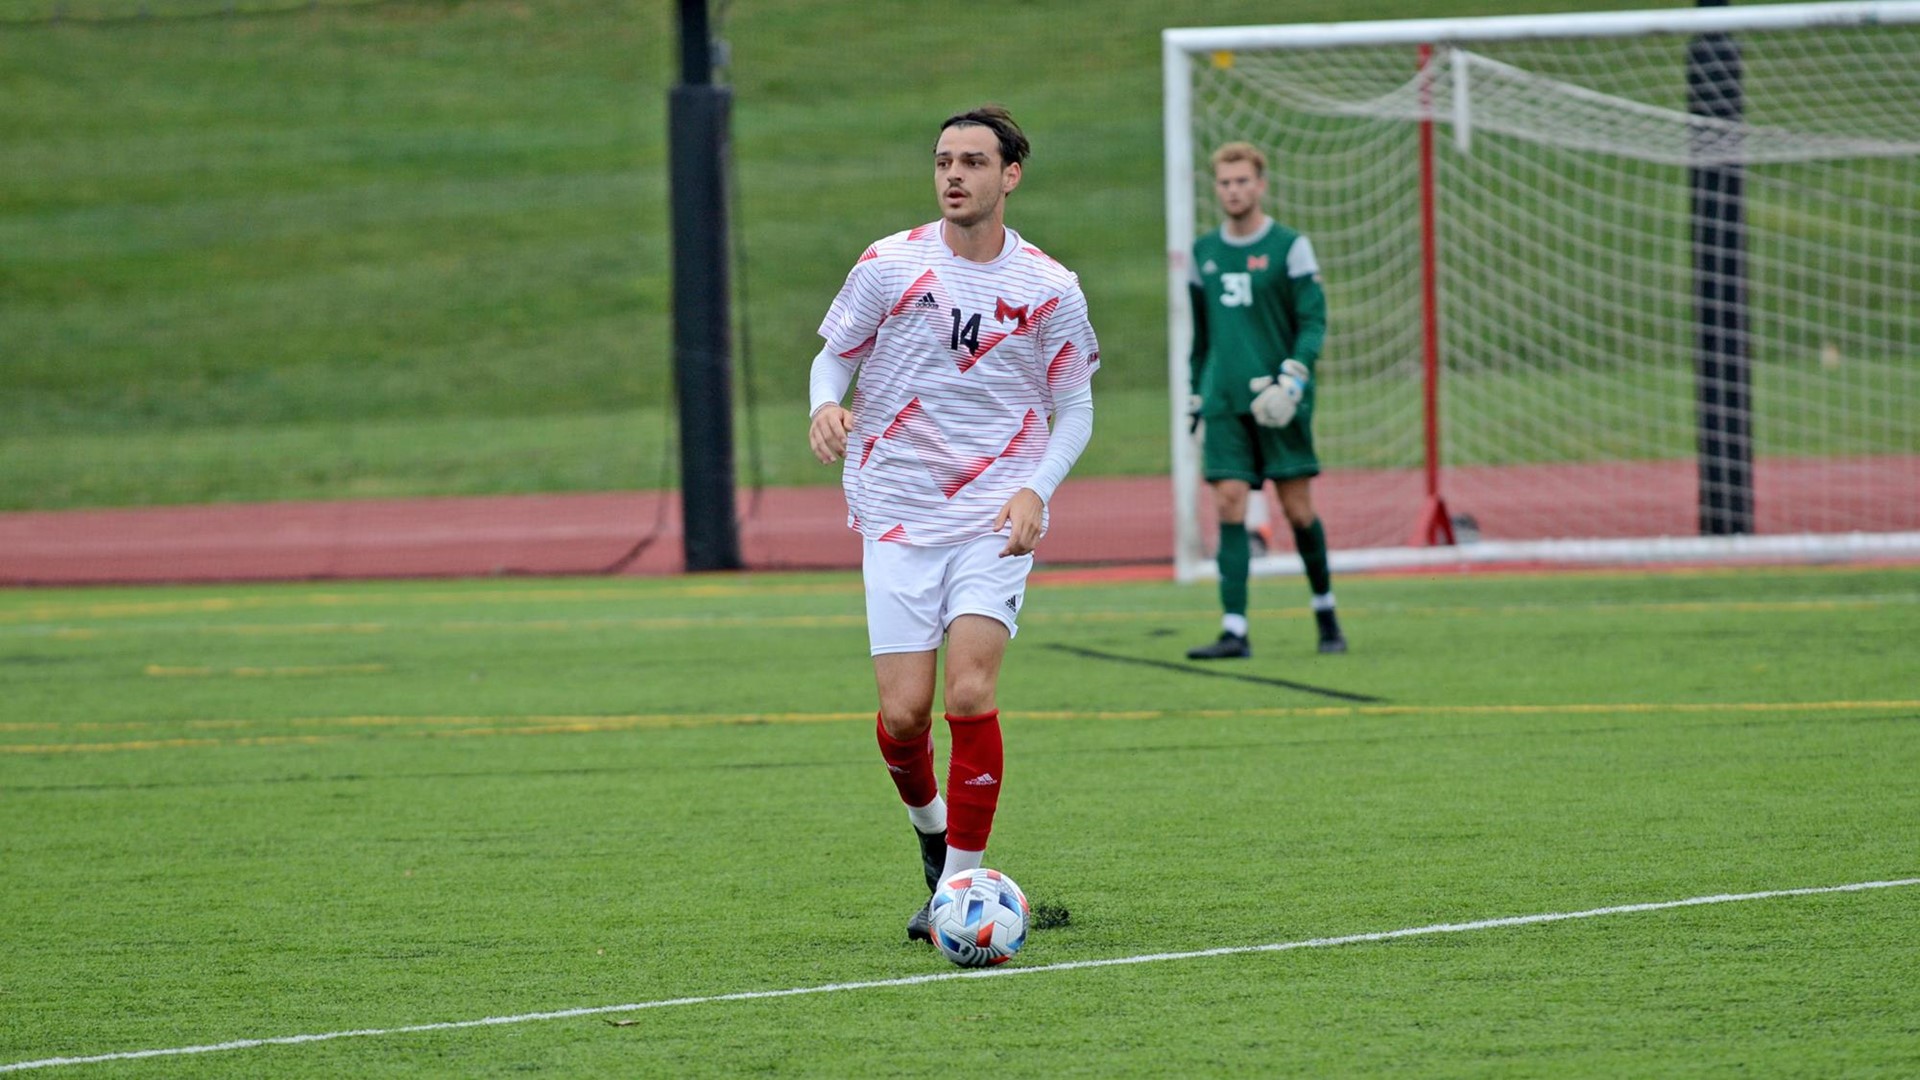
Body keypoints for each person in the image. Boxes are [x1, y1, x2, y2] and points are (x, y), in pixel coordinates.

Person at [807, 105, 1098, 943]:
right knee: (904, 717)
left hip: (991, 514)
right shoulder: (889, 264)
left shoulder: (1050, 288)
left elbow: (1074, 407)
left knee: (970, 690)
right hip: (896, 511)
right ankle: (937, 844)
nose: (954, 175)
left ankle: (963, 889)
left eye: (973, 160)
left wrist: (1036, 489)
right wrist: (827, 403)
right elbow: (834, 353)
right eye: (943, 161)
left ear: (1010, 175)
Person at [1185, 142, 1346, 660]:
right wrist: (1195, 391)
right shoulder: (1203, 253)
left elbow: (1313, 321)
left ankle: (1325, 610)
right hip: (1224, 400)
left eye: (1242, 181)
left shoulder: (1290, 246)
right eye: (1225, 182)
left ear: (1261, 185)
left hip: (1280, 399)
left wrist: (1293, 378)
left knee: (1298, 509)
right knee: (1230, 501)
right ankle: (1234, 629)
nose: (1233, 190)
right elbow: (1201, 337)